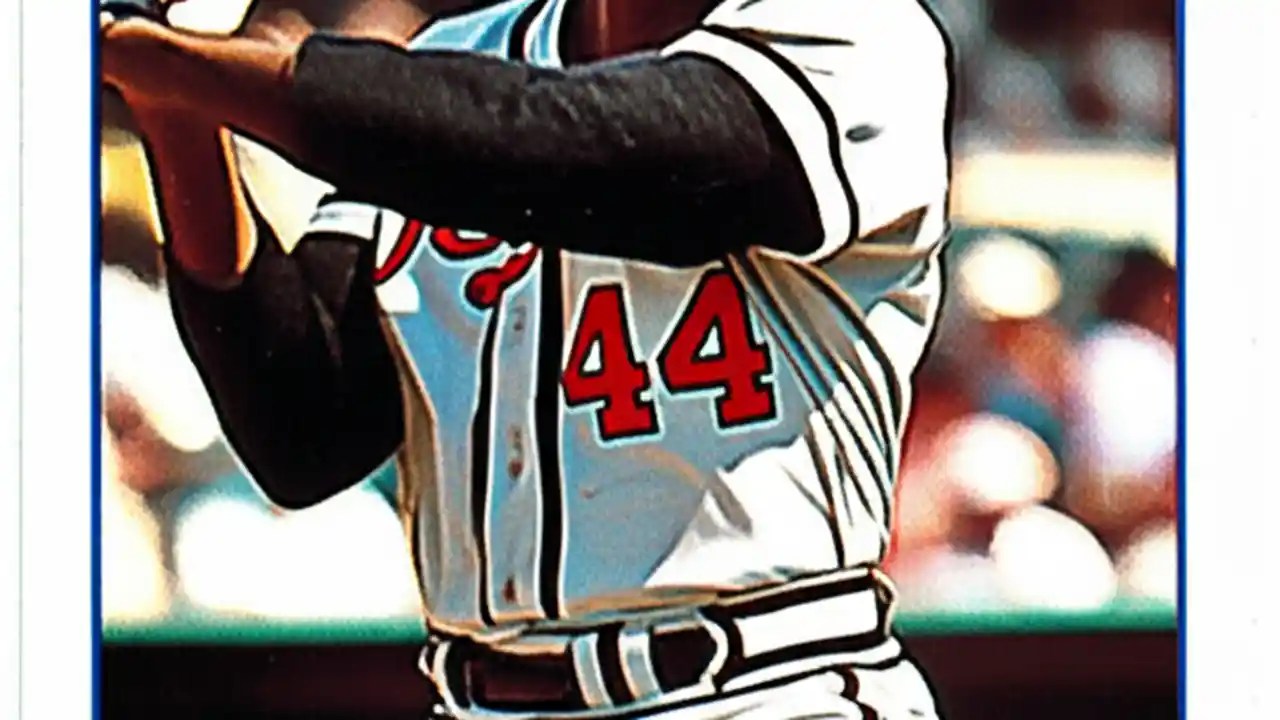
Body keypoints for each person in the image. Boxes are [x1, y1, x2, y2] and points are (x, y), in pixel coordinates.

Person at [101, 0, 954, 716]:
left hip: (768, 686)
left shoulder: (856, 36)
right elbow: (306, 431)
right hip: (477, 693)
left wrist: (207, 67)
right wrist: (178, 114)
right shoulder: (450, 64)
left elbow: (570, 150)